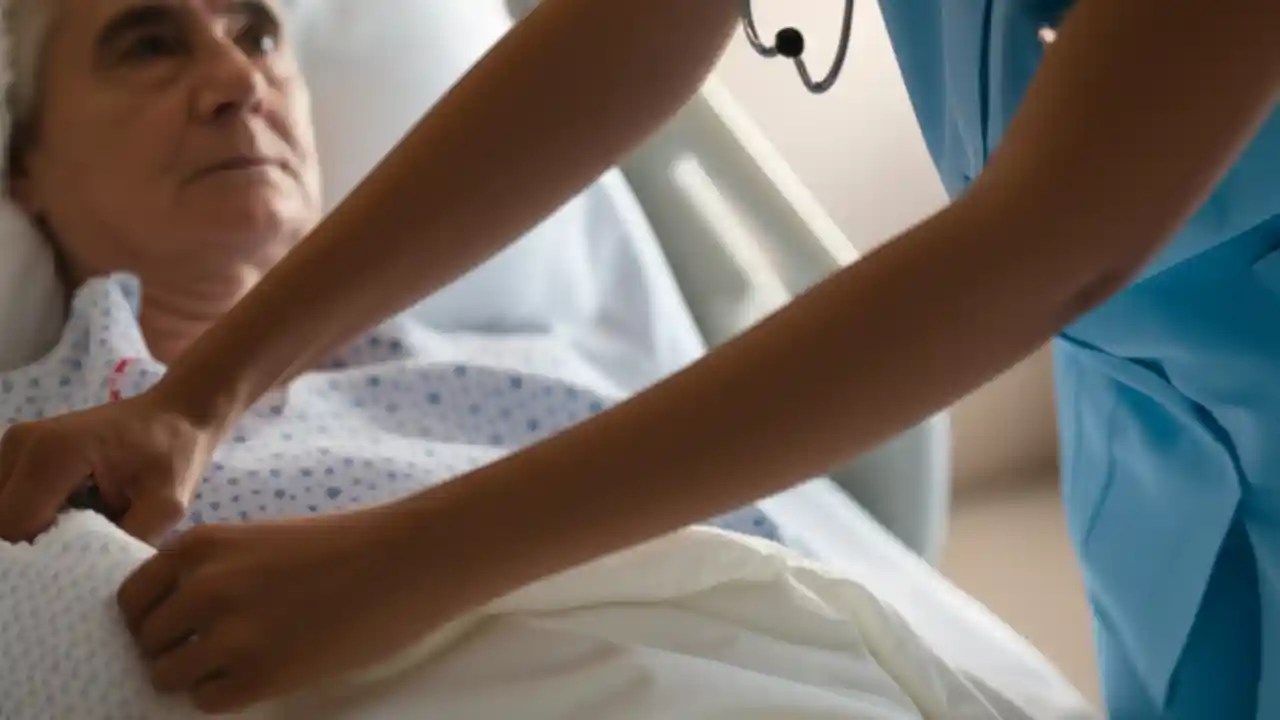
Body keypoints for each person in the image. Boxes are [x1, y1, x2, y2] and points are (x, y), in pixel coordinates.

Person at [0, 0, 1274, 715]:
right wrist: (204, 393)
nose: (232, 79)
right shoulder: (54, 440)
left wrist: (409, 560)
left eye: (260, 34)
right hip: (1170, 431)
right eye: (149, 43)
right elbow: (637, 21)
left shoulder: (521, 373)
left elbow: (1048, 233)